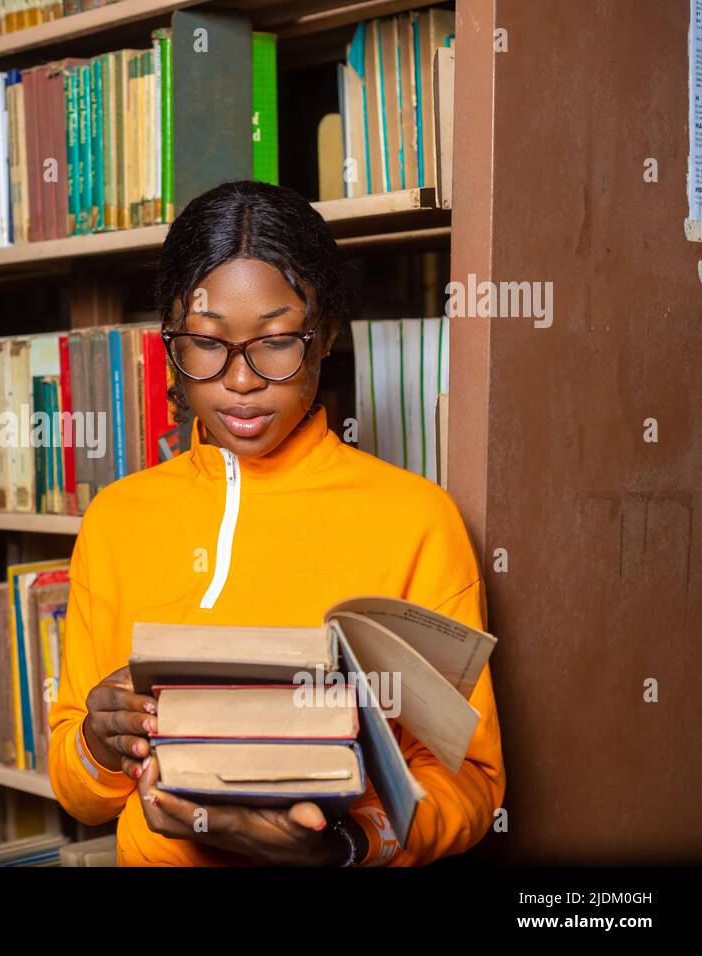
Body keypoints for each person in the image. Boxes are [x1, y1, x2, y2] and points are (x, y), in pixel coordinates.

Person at [46, 180, 505, 866]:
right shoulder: (117, 518)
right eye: (205, 342)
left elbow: (471, 780)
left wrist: (347, 845)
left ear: (326, 336)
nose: (240, 379)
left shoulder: (415, 519)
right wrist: (95, 745)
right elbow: (80, 795)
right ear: (169, 338)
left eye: (278, 340)